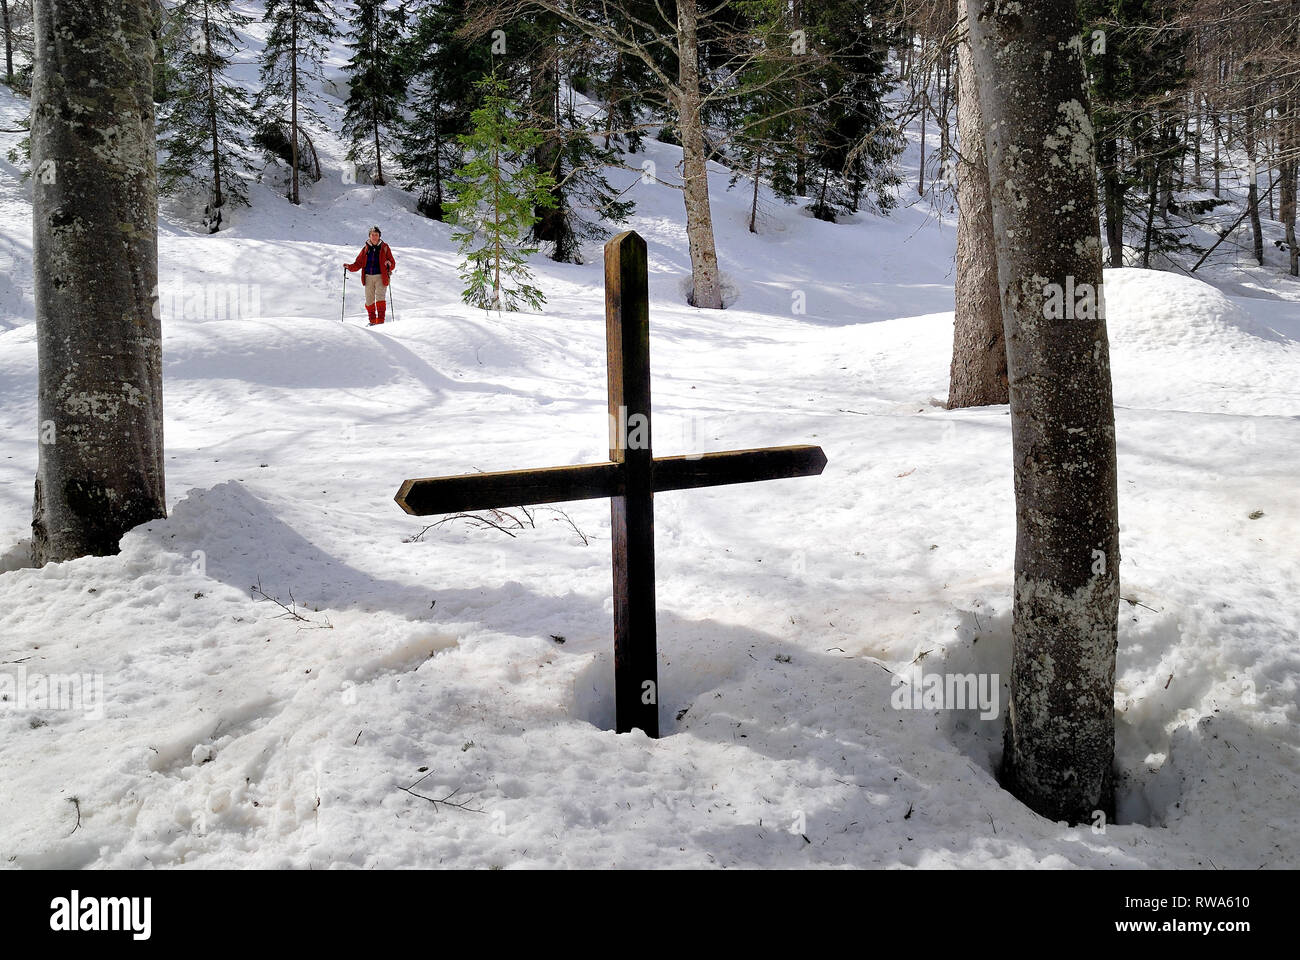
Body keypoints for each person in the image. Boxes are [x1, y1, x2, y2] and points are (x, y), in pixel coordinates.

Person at [344, 226, 396, 325]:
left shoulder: (385, 247)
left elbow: (393, 263)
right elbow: (358, 263)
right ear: (369, 236)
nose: (374, 237)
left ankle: (380, 321)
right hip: (368, 277)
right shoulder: (365, 248)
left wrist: (389, 264)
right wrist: (350, 267)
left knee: (380, 298)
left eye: (376, 235)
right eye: (372, 235)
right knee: (369, 300)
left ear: (379, 236)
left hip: (381, 277)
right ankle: (372, 322)